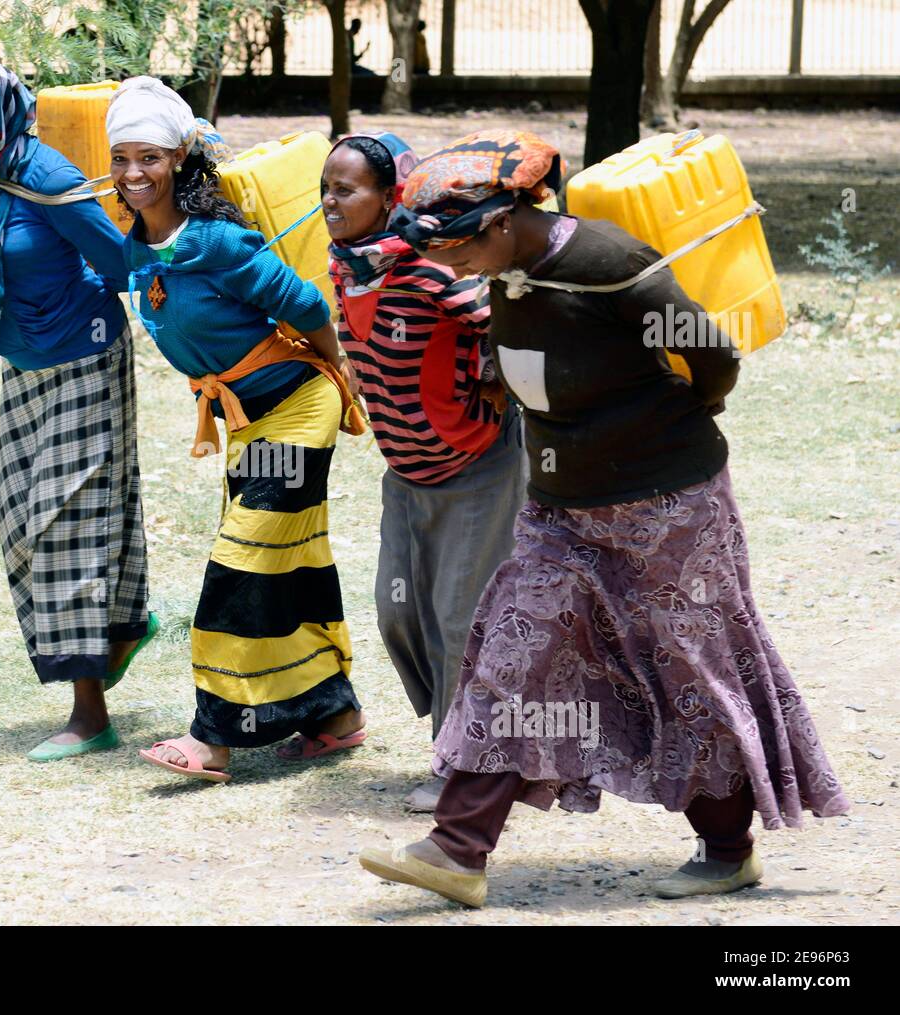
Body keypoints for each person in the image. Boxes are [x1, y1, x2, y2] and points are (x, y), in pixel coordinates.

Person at [358, 130, 848, 906]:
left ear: (501, 220)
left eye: (454, 246)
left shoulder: (608, 265)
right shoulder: (508, 270)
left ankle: (727, 847)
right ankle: (456, 849)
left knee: (684, 669)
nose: (444, 263)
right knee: (513, 654)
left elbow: (710, 354)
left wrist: (672, 421)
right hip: (558, 510)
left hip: (667, 506)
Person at [105, 76, 367, 783]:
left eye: (150, 158)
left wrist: (345, 378)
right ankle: (334, 715)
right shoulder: (140, 243)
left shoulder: (215, 240)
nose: (135, 174)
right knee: (295, 563)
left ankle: (213, 738)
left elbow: (305, 300)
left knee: (239, 566)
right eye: (122, 159)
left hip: (296, 406)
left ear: (182, 159)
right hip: (248, 420)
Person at [0, 50, 159, 763]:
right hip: (25, 371)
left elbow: (120, 265)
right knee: (21, 527)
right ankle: (123, 626)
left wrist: (74, 289)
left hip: (84, 359)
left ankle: (90, 713)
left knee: (64, 525)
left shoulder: (45, 175)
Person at [322, 133, 526, 813]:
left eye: (345, 189)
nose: (329, 200)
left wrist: (497, 375)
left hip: (478, 468)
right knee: (398, 609)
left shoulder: (435, 269)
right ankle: (476, 732)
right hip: (405, 473)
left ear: (390, 198)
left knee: (459, 619)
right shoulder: (347, 268)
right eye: (326, 186)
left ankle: (461, 765)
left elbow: (504, 319)